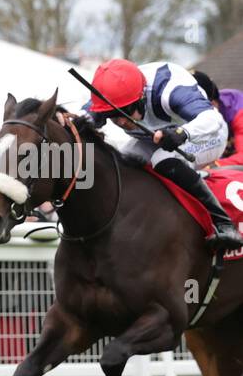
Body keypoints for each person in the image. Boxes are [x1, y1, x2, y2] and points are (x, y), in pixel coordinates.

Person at [83, 57, 242, 251]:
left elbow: (212, 120)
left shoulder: (170, 89)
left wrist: (181, 133)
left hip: (207, 136)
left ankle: (224, 223)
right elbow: (81, 118)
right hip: (153, 139)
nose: (121, 121)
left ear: (141, 96)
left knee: (163, 159)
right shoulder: (111, 92)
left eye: (126, 111)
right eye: (112, 115)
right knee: (119, 162)